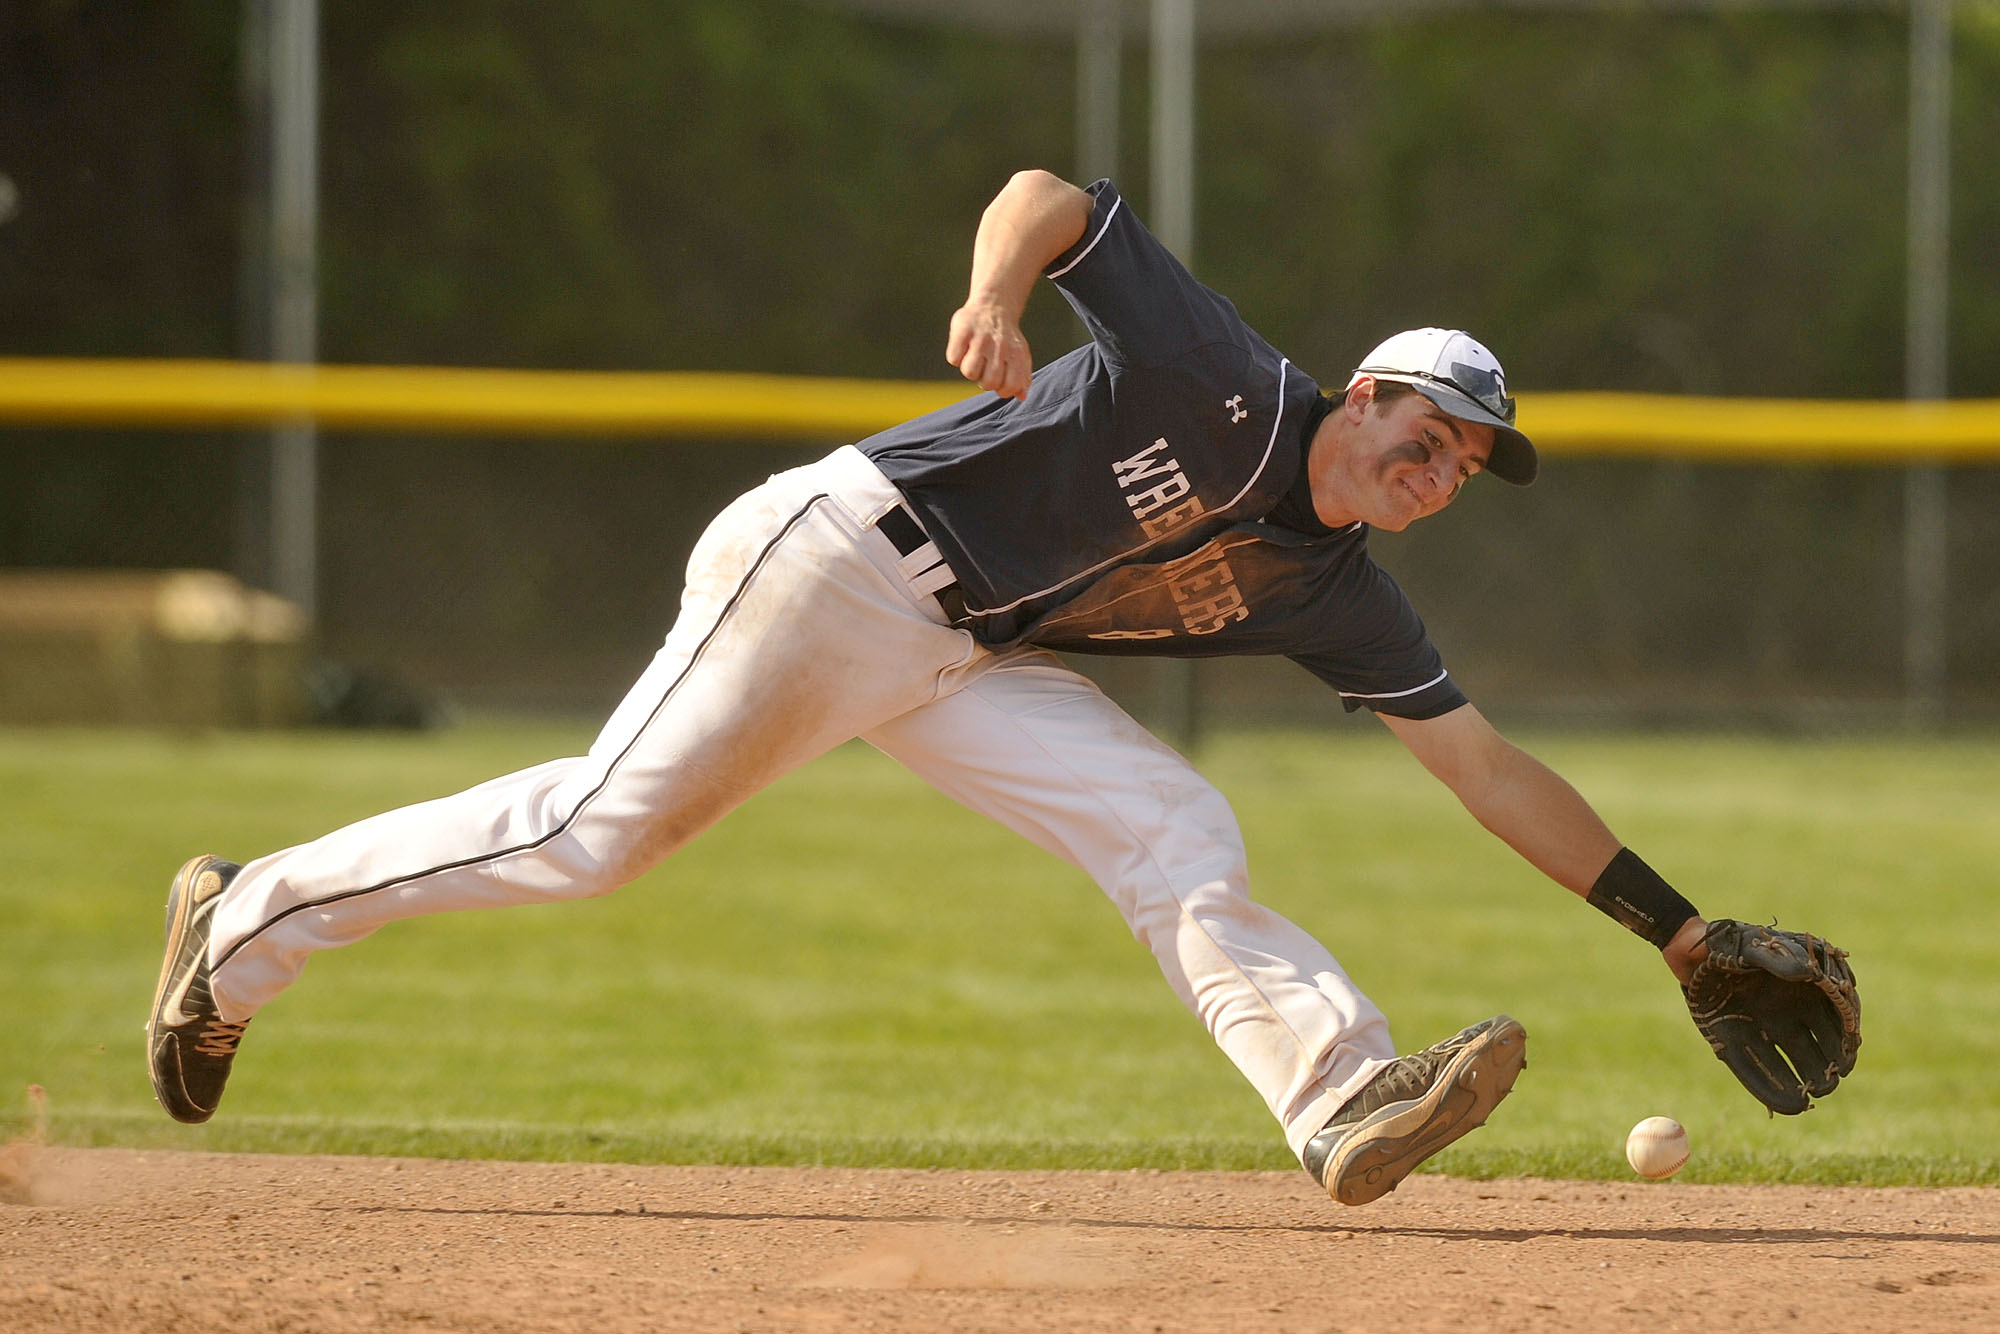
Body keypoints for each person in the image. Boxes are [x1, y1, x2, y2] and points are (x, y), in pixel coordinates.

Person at [146, 170, 1840, 1207]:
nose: (1441, 468)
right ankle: (240, 927)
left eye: (1470, 464)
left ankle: (1336, 1094)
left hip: (963, 651)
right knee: (603, 831)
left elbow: (1486, 769)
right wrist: (993, 291)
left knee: (1175, 818)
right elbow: (1057, 195)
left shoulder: (1336, 591)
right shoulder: (1227, 380)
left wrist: (1683, 935)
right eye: (1433, 430)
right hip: (844, 557)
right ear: (1372, 389)